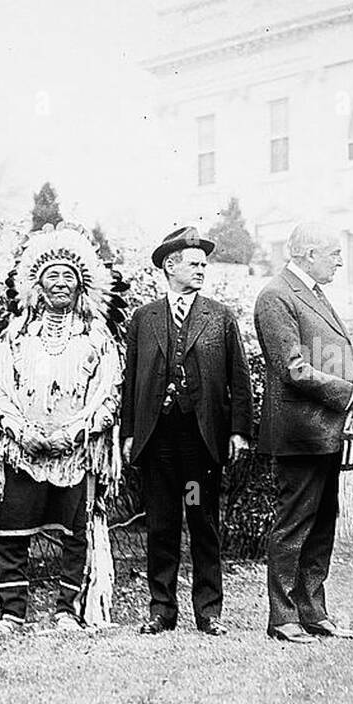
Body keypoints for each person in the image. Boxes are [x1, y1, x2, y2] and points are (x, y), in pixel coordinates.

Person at [0, 223, 127, 635]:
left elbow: (108, 393)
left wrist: (76, 431)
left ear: (82, 286)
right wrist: (20, 429)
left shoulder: (97, 337)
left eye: (69, 277)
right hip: (23, 449)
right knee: (11, 532)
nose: (60, 283)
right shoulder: (16, 336)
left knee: (75, 534)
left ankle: (68, 610)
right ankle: (11, 612)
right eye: (52, 276)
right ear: (36, 284)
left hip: (75, 450)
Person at [121, 226, 253, 637]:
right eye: (194, 264)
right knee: (161, 523)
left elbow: (239, 379)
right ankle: (161, 610)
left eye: (204, 264)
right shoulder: (144, 319)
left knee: (200, 520)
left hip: (198, 447)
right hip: (159, 444)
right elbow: (131, 383)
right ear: (169, 266)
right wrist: (129, 433)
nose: (202, 270)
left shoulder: (220, 316)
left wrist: (238, 432)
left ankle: (208, 611)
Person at [253, 222, 353, 643]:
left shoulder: (311, 293)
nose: (340, 260)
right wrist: (350, 394)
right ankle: (283, 617)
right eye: (334, 253)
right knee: (294, 524)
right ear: (306, 254)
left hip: (325, 432)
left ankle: (313, 613)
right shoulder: (276, 296)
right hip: (300, 433)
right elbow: (294, 369)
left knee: (321, 525)